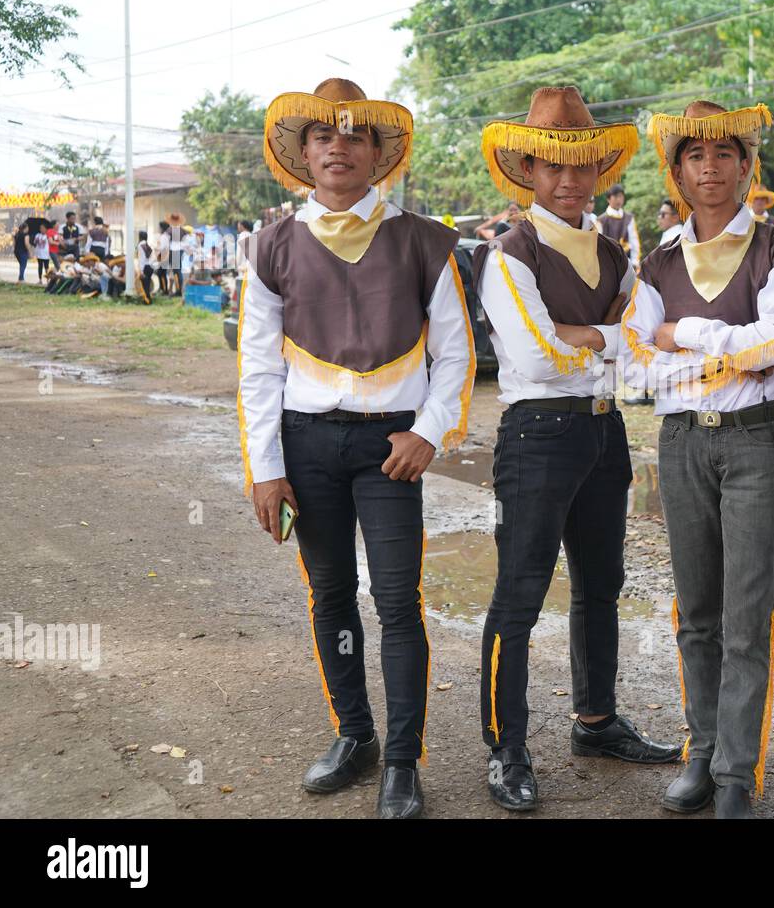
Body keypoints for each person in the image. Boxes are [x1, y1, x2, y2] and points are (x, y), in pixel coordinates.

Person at [239, 78, 475, 818]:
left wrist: (427, 434)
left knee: (399, 601)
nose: (336, 146)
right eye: (321, 136)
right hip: (306, 445)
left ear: (378, 154)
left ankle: (403, 761)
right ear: (303, 154)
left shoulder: (425, 240)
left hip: (390, 447)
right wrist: (267, 469)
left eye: (353, 136)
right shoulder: (270, 245)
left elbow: (456, 357)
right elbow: (257, 366)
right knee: (331, 595)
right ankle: (356, 734)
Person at [474, 85, 680, 813]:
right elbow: (531, 361)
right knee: (520, 593)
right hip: (537, 435)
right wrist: (610, 345)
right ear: (527, 171)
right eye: (553, 168)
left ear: (600, 172)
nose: (570, 181)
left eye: (584, 167)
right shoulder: (507, 256)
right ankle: (506, 746)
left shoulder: (615, 254)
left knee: (601, 583)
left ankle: (595, 721)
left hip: (603, 430)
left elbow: (646, 346)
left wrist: (589, 339)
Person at [624, 99, 774, 818]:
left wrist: (688, 331)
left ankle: (736, 771)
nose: (709, 167)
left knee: (746, 610)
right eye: (694, 156)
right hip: (682, 443)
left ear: (745, 165)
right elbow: (637, 363)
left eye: (724, 154)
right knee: (697, 610)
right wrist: (729, 349)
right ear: (676, 172)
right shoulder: (657, 259)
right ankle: (700, 751)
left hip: (756, 440)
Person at [599, 183, 641, 269]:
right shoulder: (601, 220)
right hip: (607, 264)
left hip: (627, 263)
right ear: (608, 199)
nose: (619, 200)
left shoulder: (629, 218)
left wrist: (635, 262)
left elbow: (634, 242)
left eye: (621, 197)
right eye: (615, 197)